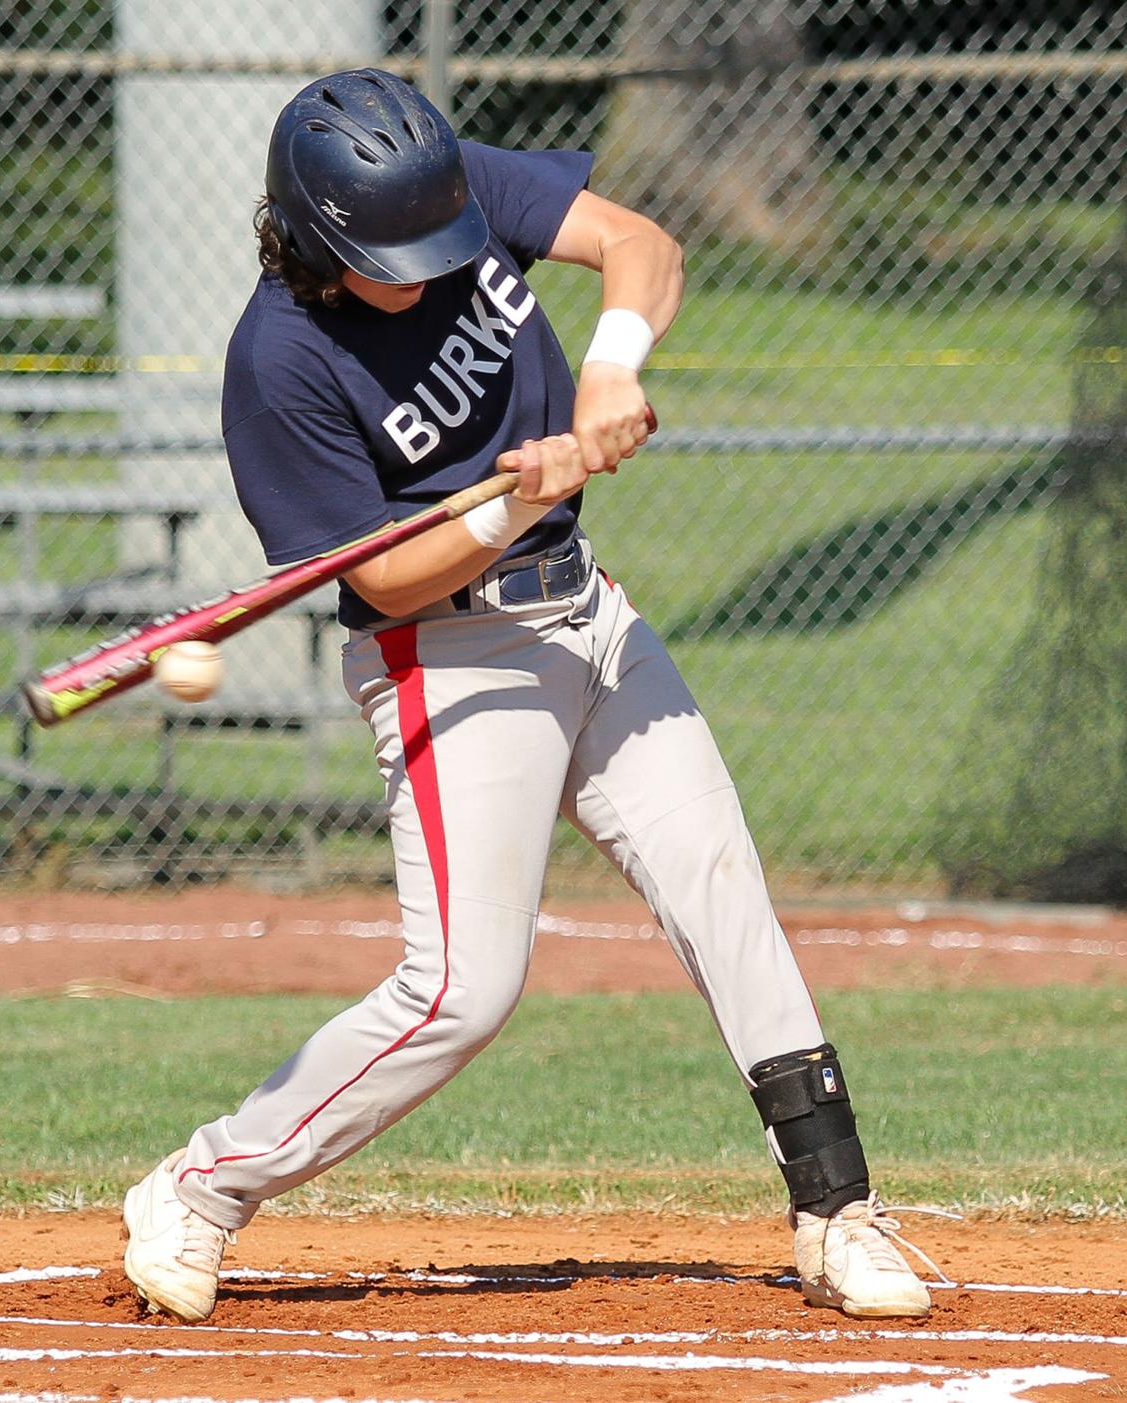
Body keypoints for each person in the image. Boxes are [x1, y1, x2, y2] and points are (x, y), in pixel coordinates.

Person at [122, 68, 935, 1325]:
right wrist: (516, 499)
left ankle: (838, 1211)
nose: (432, 269)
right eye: (395, 261)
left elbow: (642, 246)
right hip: (449, 654)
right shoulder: (280, 361)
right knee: (463, 987)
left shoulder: (440, 186)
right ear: (320, 239)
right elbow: (385, 580)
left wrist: (610, 370)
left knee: (721, 891)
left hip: (589, 613)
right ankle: (201, 1184)